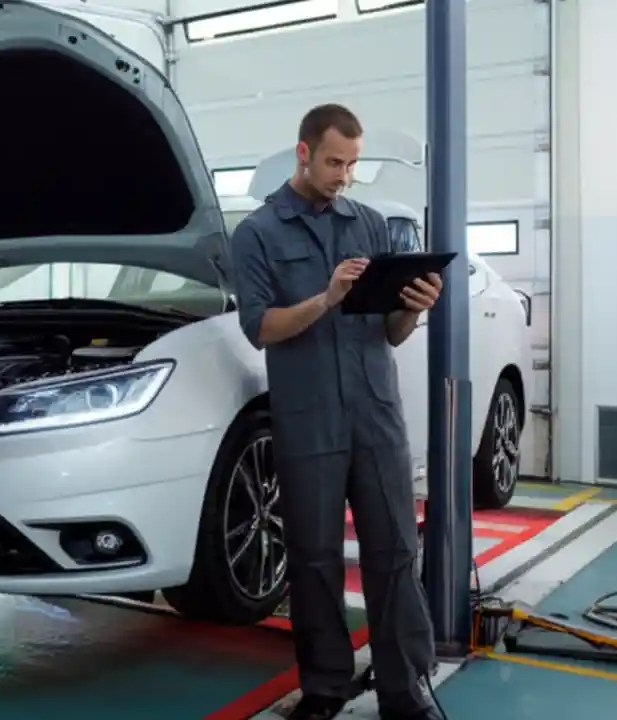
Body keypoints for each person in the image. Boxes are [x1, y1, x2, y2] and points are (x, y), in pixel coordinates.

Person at [229, 104, 445, 720]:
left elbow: (391, 333)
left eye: (352, 164)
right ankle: (324, 688)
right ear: (303, 153)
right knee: (314, 558)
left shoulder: (369, 225)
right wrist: (326, 298)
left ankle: (404, 690)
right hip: (308, 418)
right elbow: (260, 328)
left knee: (395, 552)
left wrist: (415, 306)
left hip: (376, 416)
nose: (344, 176)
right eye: (333, 162)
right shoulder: (258, 234)